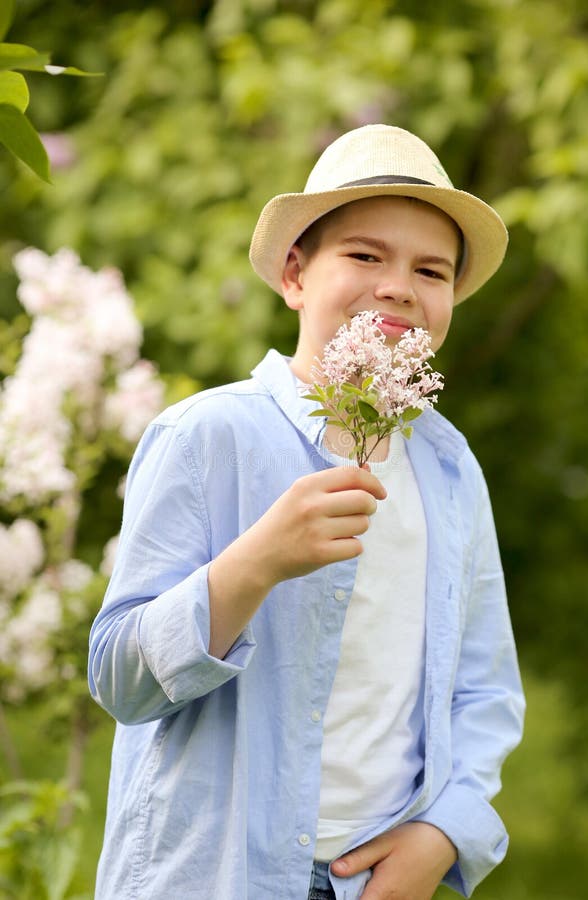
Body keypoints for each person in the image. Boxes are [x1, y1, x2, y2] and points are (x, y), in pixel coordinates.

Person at [88, 124, 525, 900]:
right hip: (214, 875)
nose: (398, 285)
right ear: (294, 274)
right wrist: (257, 561)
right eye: (365, 255)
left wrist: (447, 834)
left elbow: (484, 690)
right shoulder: (207, 435)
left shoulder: (452, 468)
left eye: (432, 269)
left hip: (375, 880)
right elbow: (118, 678)